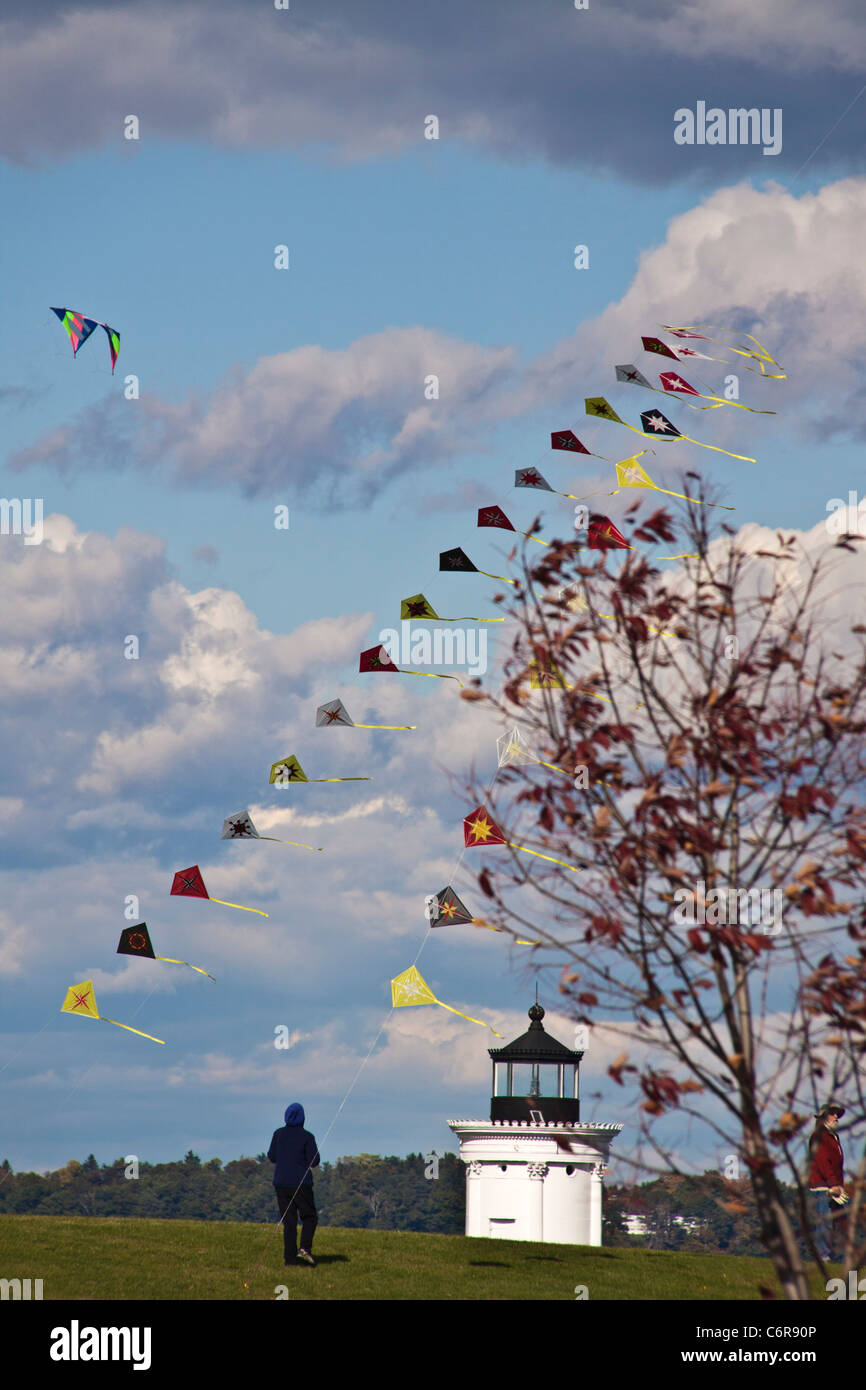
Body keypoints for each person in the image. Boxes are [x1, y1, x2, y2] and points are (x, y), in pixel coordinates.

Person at [267, 1102, 320, 1267]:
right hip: (301, 1184)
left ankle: (289, 1260)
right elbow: (315, 1161)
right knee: (309, 1216)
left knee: (289, 1222)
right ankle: (305, 1248)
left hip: (281, 1184)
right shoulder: (307, 1137)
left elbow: (272, 1157)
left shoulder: (278, 1134)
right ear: (303, 1118)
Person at [808, 1101, 846, 1261]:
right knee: (824, 1222)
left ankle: (829, 1254)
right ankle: (822, 1255)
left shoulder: (833, 1137)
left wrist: (839, 1186)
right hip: (823, 1187)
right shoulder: (819, 1136)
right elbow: (823, 1161)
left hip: (834, 1186)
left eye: (837, 1113)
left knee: (838, 1223)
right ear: (823, 1117)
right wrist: (833, 1184)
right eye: (832, 1113)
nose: (836, 1116)